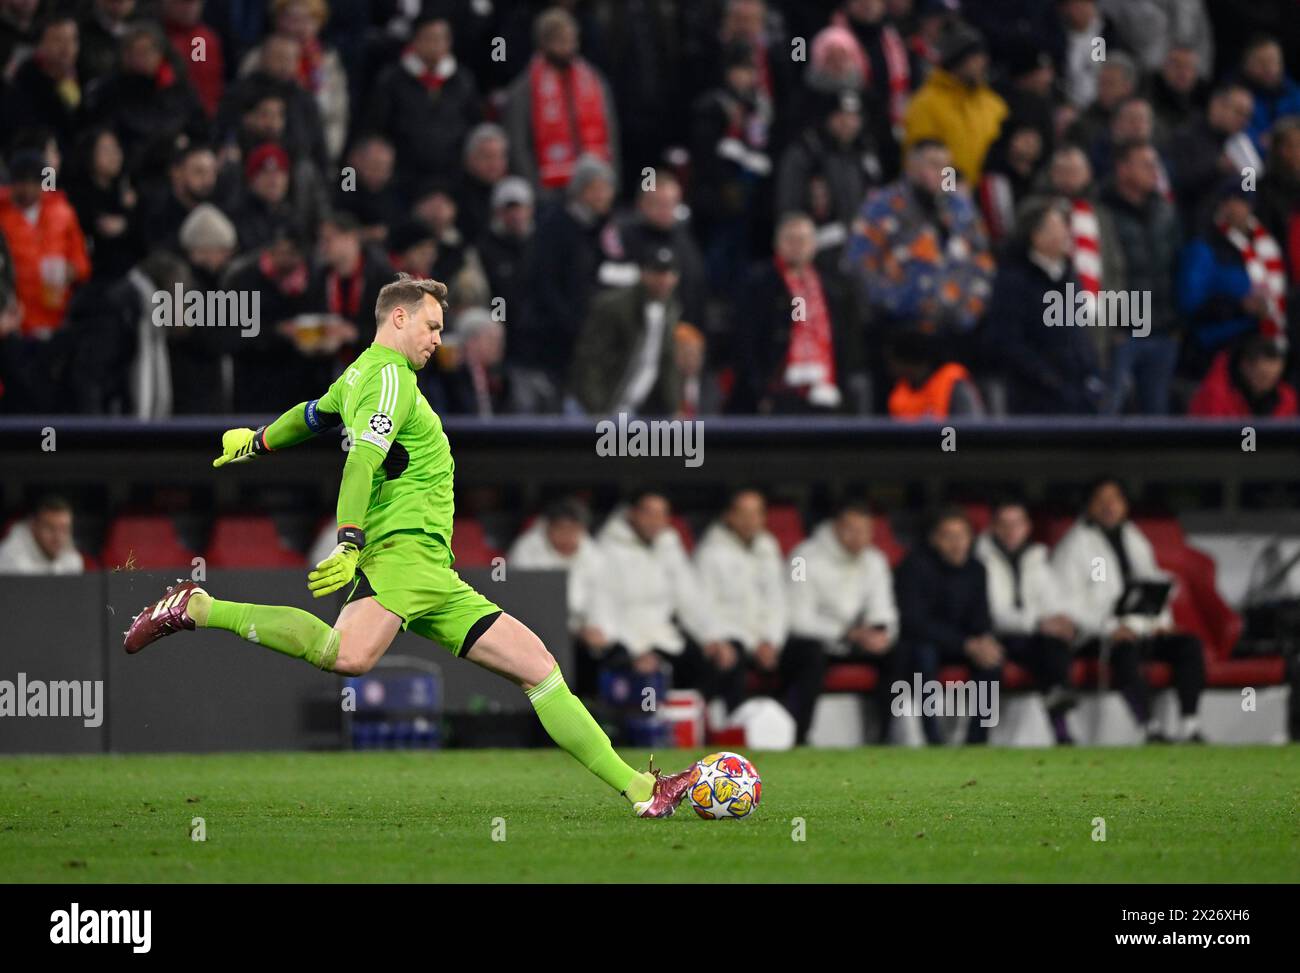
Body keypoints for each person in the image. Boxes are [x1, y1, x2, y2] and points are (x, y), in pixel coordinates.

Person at [123, 274, 698, 818]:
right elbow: (361, 459)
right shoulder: (392, 377)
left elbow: (312, 417)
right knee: (346, 656)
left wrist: (258, 442)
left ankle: (641, 790)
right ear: (398, 317)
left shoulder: (357, 376)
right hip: (402, 555)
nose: (438, 339)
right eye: (432, 326)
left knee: (539, 668)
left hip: (432, 571)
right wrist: (349, 541)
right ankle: (200, 607)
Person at [1051, 477, 1206, 742]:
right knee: (1125, 652)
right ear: (1089, 506)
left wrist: (1161, 621)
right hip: (1097, 635)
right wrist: (1111, 629)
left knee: (1188, 645)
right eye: (1101, 500)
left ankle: (1189, 726)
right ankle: (1150, 728)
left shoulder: (1133, 536)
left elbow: (1151, 582)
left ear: (1124, 505)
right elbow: (1065, 604)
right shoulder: (1075, 544)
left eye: (1115, 500)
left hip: (1142, 628)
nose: (1109, 507)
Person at [594, 490, 746, 718]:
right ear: (632, 514)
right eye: (649, 513)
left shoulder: (669, 544)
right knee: (643, 682)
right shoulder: (605, 550)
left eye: (662, 514)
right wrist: (634, 653)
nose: (656, 521)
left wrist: (712, 638)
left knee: (721, 659)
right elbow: (603, 607)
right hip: (624, 643)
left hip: (665, 639)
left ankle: (711, 731)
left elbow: (689, 598)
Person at [785, 503, 900, 744]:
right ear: (836, 527)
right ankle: (799, 738)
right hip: (814, 641)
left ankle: (883, 739)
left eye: (864, 530)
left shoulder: (874, 560)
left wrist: (879, 632)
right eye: (851, 529)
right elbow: (797, 619)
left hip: (856, 642)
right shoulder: (802, 558)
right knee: (810, 657)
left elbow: (884, 609)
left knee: (896, 654)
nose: (858, 537)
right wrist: (847, 633)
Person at [974, 498, 1079, 744]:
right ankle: (979, 741)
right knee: (1038, 649)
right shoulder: (980, 559)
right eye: (1004, 524)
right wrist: (1038, 622)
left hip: (1034, 637)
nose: (1011, 530)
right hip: (995, 635)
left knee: (1055, 645)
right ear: (993, 527)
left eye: (1017, 523)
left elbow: (1051, 599)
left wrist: (1060, 619)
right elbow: (993, 611)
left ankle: (1061, 731)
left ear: (1027, 526)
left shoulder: (1037, 557)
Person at [895, 507, 999, 744]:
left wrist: (983, 639)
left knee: (992, 660)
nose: (956, 543)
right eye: (948, 536)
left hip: (964, 644)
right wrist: (965, 643)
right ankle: (933, 739)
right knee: (923, 656)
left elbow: (981, 616)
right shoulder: (914, 567)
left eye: (962, 536)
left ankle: (978, 740)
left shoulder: (976, 569)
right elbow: (913, 622)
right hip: (927, 642)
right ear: (934, 539)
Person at [694, 489, 795, 718]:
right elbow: (703, 607)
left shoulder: (768, 548)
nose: (751, 521)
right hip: (730, 638)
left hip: (765, 642)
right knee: (734, 655)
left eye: (757, 513)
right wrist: (747, 642)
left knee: (807, 653)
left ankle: (793, 733)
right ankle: (736, 733)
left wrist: (771, 641)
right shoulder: (710, 553)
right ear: (729, 516)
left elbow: (778, 600)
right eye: (743, 513)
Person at [506, 498, 615, 697]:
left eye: (573, 531)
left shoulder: (593, 555)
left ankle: (589, 712)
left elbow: (601, 601)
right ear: (548, 527)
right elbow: (522, 601)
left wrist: (595, 629)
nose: (567, 537)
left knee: (607, 656)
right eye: (560, 530)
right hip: (536, 632)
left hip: (580, 635)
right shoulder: (526, 551)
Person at [570, 246, 682, 416]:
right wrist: (595, 409)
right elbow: (591, 359)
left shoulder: (670, 309)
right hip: (592, 408)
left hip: (629, 410)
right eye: (658, 273)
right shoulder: (615, 306)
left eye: (669, 274)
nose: (664, 280)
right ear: (644, 274)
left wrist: (673, 408)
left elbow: (665, 362)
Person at [901, 18, 1007, 183]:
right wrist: (950, 190)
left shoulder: (993, 103)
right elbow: (924, 158)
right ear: (957, 60)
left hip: (988, 198)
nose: (983, 63)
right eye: (975, 58)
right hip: (946, 198)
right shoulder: (926, 104)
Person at [1188, 333, 1297, 418]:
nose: (1268, 382)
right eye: (1262, 376)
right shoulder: (1215, 395)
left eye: (1274, 378)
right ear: (1244, 366)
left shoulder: (1286, 398)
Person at [0, 495, 83, 574]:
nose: (58, 537)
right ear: (33, 526)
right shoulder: (11, 558)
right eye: (50, 528)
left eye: (64, 529)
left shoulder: (72, 557)